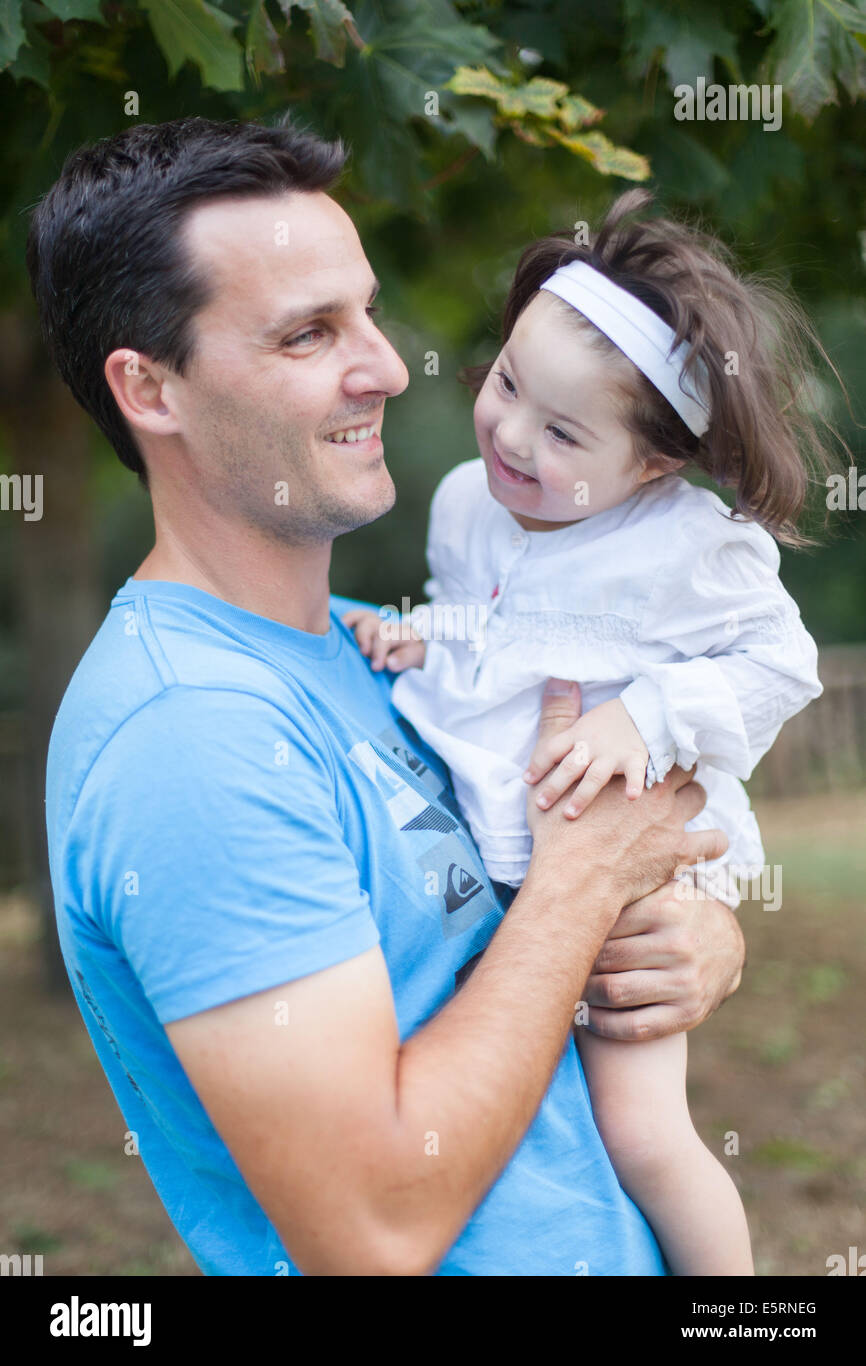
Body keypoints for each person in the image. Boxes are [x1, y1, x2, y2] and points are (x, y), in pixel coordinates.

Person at [28, 118, 744, 1277]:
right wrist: (580, 886)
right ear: (149, 388)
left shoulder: (380, 661)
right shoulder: (191, 738)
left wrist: (686, 935)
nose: (382, 363)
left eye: (363, 310)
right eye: (308, 333)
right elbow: (369, 1231)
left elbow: (511, 942)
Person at [345, 191, 832, 1275]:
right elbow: (487, 623)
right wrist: (422, 639)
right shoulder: (470, 498)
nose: (510, 433)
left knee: (641, 1135)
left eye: (561, 431)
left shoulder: (686, 546)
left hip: (632, 872)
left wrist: (644, 713)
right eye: (507, 383)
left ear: (651, 462)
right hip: (510, 842)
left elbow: (778, 664)